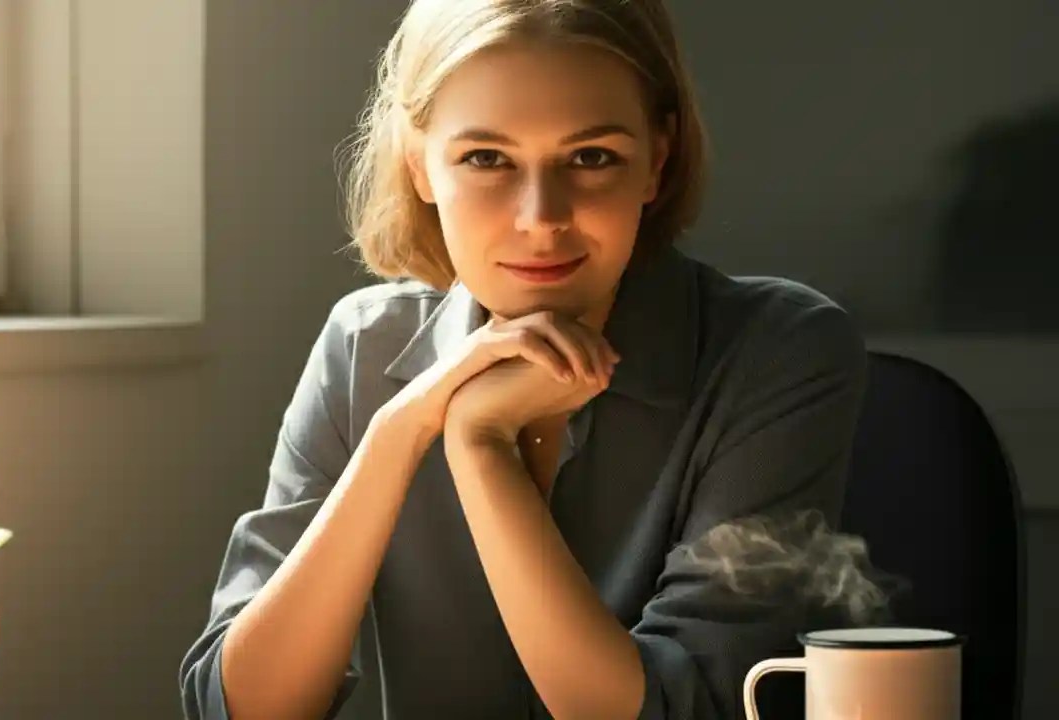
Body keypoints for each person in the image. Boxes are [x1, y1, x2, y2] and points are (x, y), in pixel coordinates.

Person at [180, 1, 868, 718]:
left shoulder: (779, 349)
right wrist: (399, 434)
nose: (541, 217)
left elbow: (681, 710)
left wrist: (480, 448)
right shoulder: (364, 346)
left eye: (592, 157)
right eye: (486, 159)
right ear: (419, 163)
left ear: (656, 162)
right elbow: (240, 708)